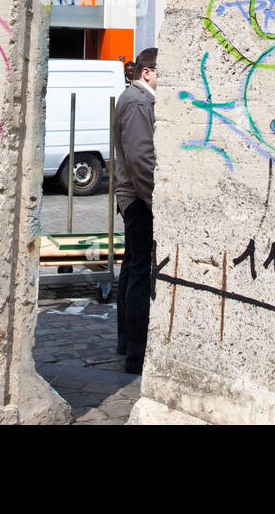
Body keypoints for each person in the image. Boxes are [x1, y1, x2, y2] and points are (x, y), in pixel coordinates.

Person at [114, 47, 157, 375]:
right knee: (139, 272)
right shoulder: (139, 101)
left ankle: (128, 344)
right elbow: (140, 158)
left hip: (133, 196)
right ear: (147, 72)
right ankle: (136, 353)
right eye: (160, 72)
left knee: (132, 268)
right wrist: (152, 200)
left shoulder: (133, 98)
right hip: (139, 198)